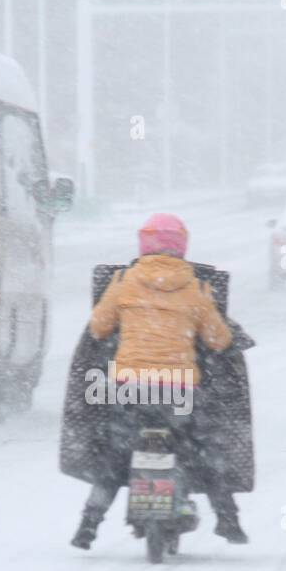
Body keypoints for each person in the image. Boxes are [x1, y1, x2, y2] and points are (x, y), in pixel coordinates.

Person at [69, 213, 248, 549]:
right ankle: (228, 520)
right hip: (179, 390)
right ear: (182, 245)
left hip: (129, 389)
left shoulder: (123, 282)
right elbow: (218, 340)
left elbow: (98, 328)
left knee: (114, 458)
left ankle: (88, 526)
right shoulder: (196, 288)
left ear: (143, 243)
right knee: (205, 453)